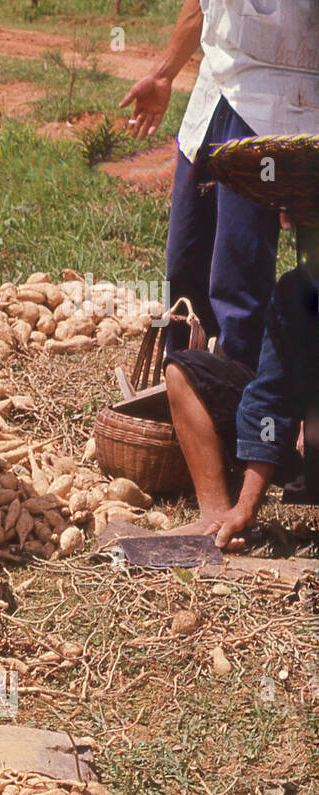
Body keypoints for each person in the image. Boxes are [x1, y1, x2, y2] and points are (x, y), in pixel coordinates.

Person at [120, 0, 319, 368]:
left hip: (275, 107)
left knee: (238, 287)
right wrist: (164, 73)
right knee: (185, 268)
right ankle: (183, 386)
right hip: (212, 98)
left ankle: (238, 401)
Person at [162, 136, 319, 547]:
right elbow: (271, 395)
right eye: (295, 211)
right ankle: (217, 515)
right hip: (306, 453)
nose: (295, 221)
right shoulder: (295, 294)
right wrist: (247, 506)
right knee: (186, 371)